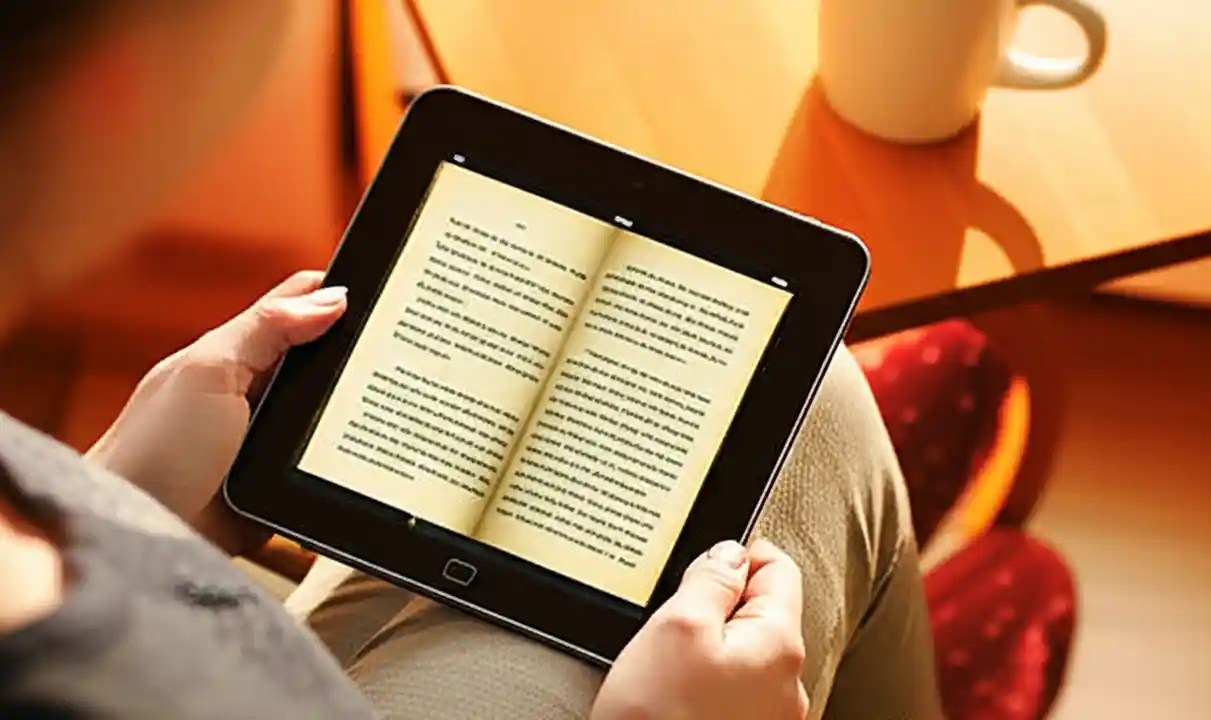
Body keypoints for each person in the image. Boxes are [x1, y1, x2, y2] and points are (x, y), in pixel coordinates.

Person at [0, 3, 941, 718]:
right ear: (114, 91)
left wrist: (121, 502)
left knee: (804, 407)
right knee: (814, 405)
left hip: (184, 604)